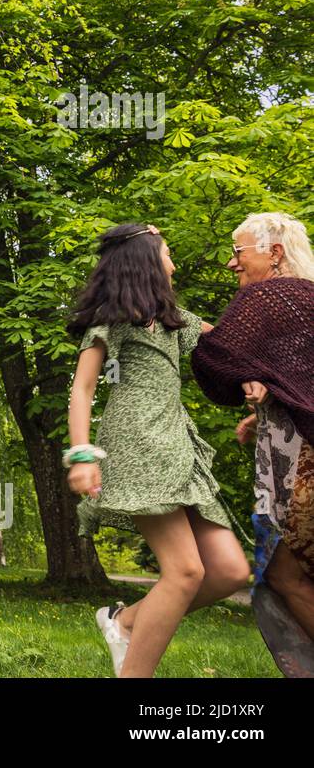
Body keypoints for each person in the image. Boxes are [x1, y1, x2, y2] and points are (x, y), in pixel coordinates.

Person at [66, 223, 250, 677]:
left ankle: (123, 620)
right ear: (147, 262)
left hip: (179, 448)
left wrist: (262, 377)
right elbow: (82, 390)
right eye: (167, 253)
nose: (174, 263)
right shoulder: (112, 320)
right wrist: (82, 454)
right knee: (186, 572)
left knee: (228, 572)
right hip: (137, 447)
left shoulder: (175, 320)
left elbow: (229, 347)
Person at [192, 211, 314, 642]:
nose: (232, 263)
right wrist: (275, 400)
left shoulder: (265, 298)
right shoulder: (309, 299)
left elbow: (216, 360)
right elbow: (300, 378)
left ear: (273, 252)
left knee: (284, 578)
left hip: (303, 467)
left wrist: (168, 313)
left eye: (238, 252)